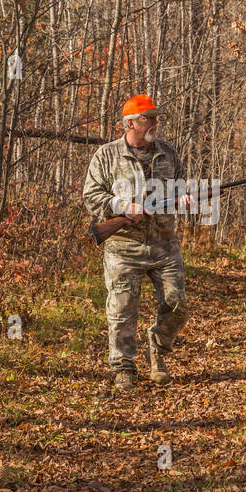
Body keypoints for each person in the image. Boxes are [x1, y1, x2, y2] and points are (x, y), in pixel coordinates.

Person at [82, 95, 193, 390]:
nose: (155, 123)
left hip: (164, 245)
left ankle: (157, 349)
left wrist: (184, 199)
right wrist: (121, 206)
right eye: (149, 118)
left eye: (156, 117)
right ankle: (124, 368)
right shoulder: (106, 156)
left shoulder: (168, 152)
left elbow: (181, 185)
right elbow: (91, 197)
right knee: (121, 311)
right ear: (130, 123)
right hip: (123, 247)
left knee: (177, 304)